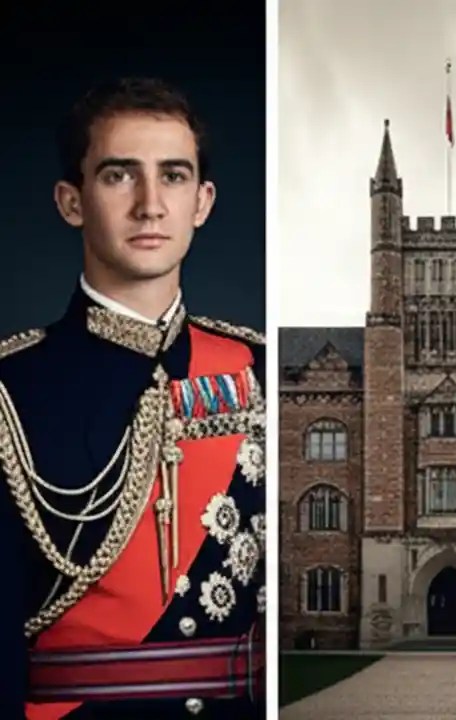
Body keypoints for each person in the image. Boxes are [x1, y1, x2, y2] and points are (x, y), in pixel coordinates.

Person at [0, 77, 265, 718]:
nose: (151, 205)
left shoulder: (254, 367)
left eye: (173, 176)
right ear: (71, 201)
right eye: (120, 176)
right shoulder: (12, 389)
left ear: (202, 201)